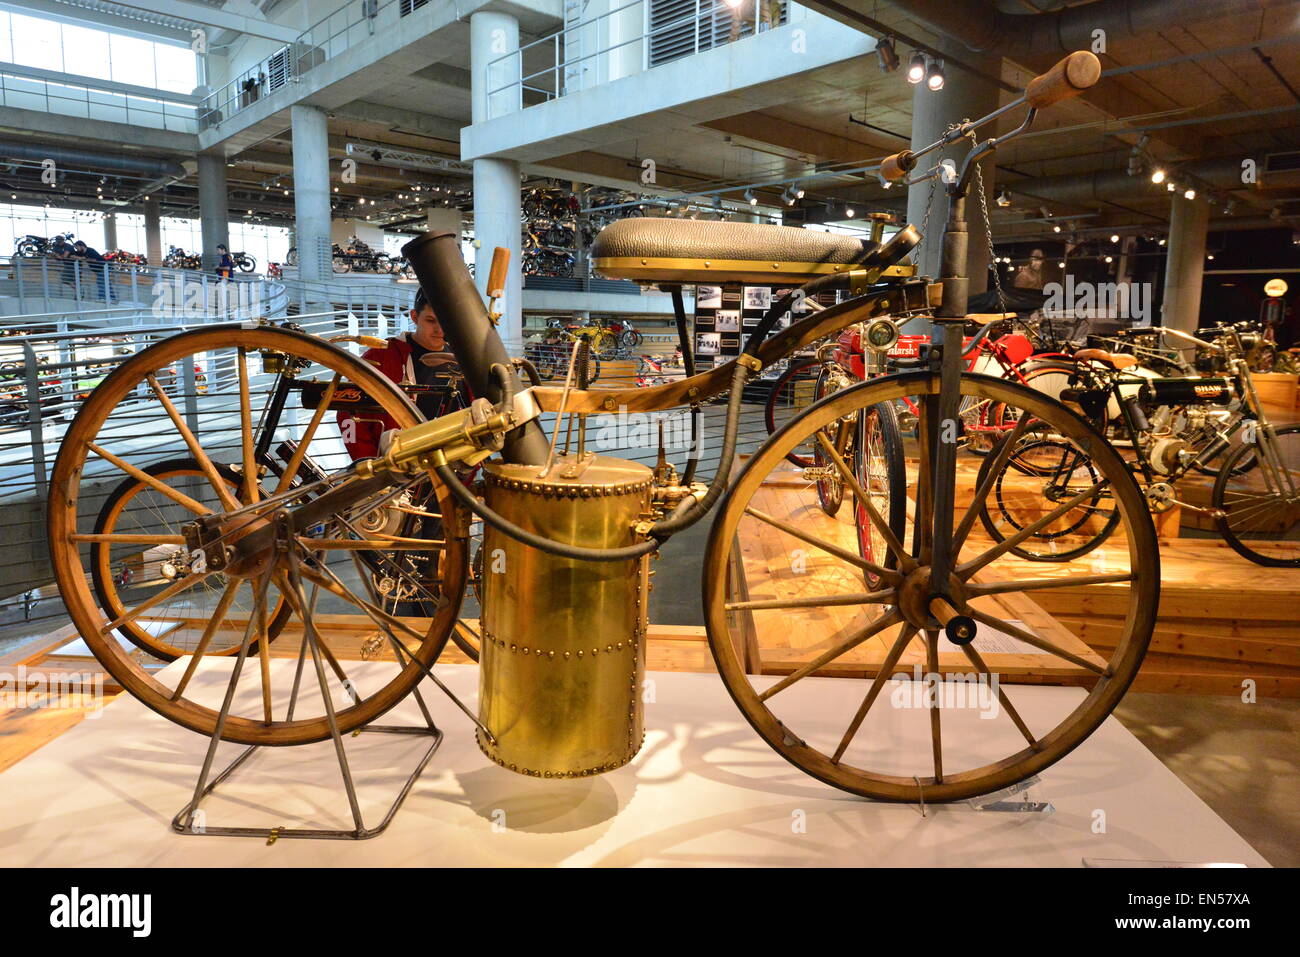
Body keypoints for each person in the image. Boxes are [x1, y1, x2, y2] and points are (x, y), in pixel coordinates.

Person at [338, 288, 470, 617]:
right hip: (393, 479)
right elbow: (347, 409)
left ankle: (433, 629)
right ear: (413, 317)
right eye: (430, 321)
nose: (439, 330)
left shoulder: (462, 361)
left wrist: (468, 473)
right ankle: (398, 629)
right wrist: (365, 462)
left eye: (445, 323)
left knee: (438, 561)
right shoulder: (383, 357)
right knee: (392, 561)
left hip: (446, 479)